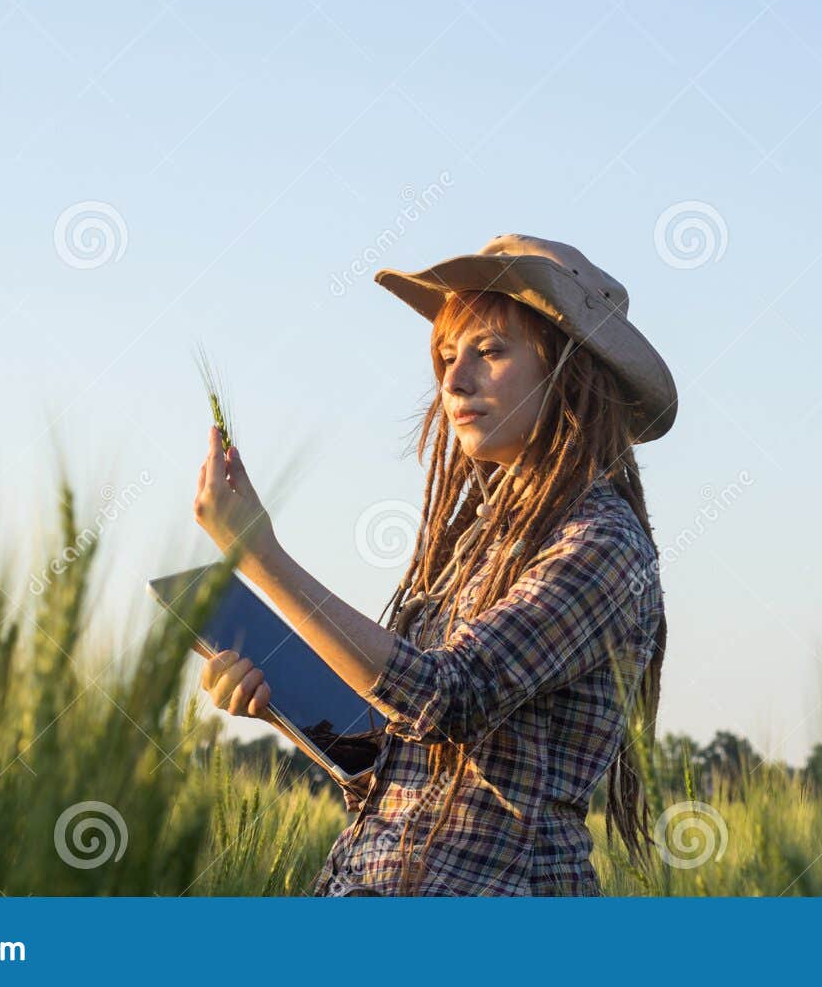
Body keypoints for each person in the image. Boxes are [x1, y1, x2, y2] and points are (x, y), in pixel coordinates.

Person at [192, 233, 677, 895]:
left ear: (571, 367)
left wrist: (261, 556)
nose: (454, 379)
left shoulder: (603, 543)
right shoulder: (471, 544)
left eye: (490, 350)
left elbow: (450, 695)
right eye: (447, 355)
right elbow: (404, 755)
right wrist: (284, 706)